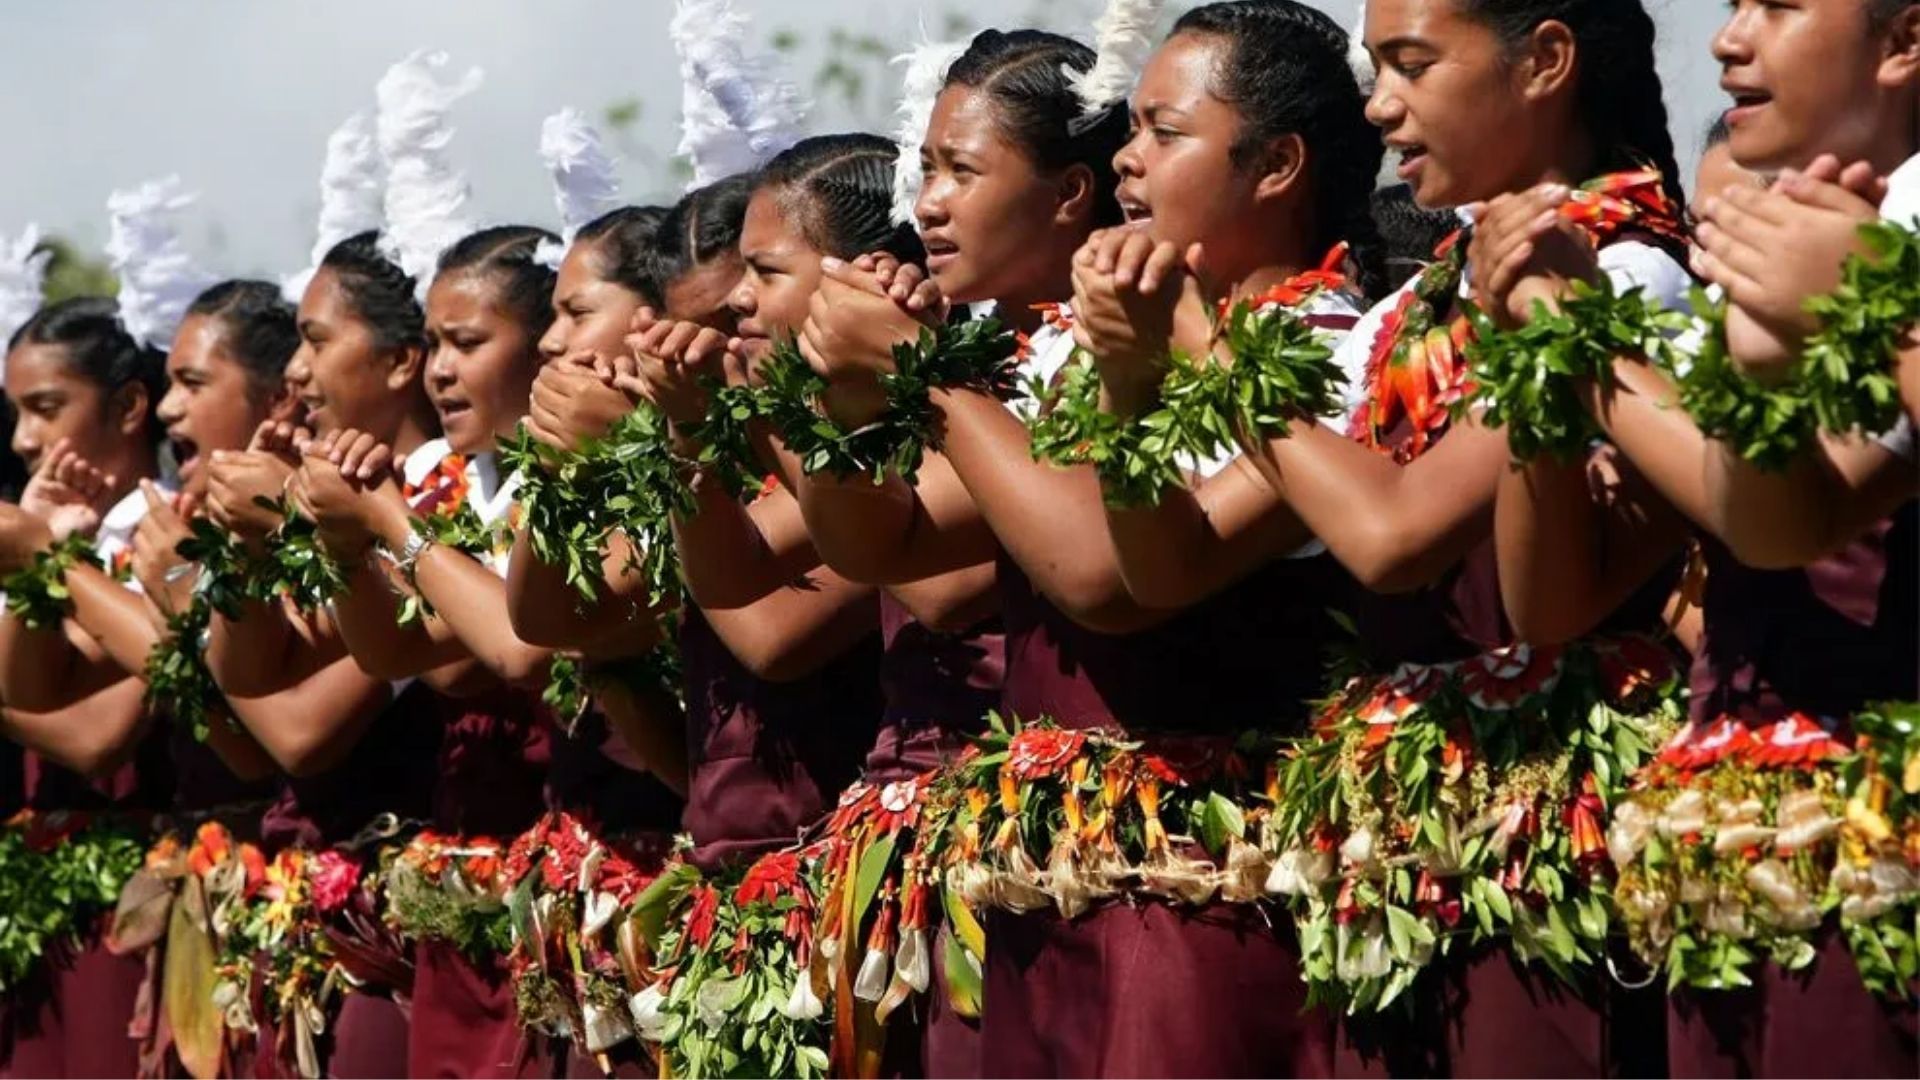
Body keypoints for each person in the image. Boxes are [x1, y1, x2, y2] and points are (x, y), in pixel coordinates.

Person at [1477, 1, 1918, 1074]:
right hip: (1749, 845)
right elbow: (1557, 603)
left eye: (1778, 4)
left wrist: (1882, 303)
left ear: (1905, 40)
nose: (1728, 40)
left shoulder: (1860, 245)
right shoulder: (1805, 239)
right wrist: (1552, 336)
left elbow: (1775, 525)